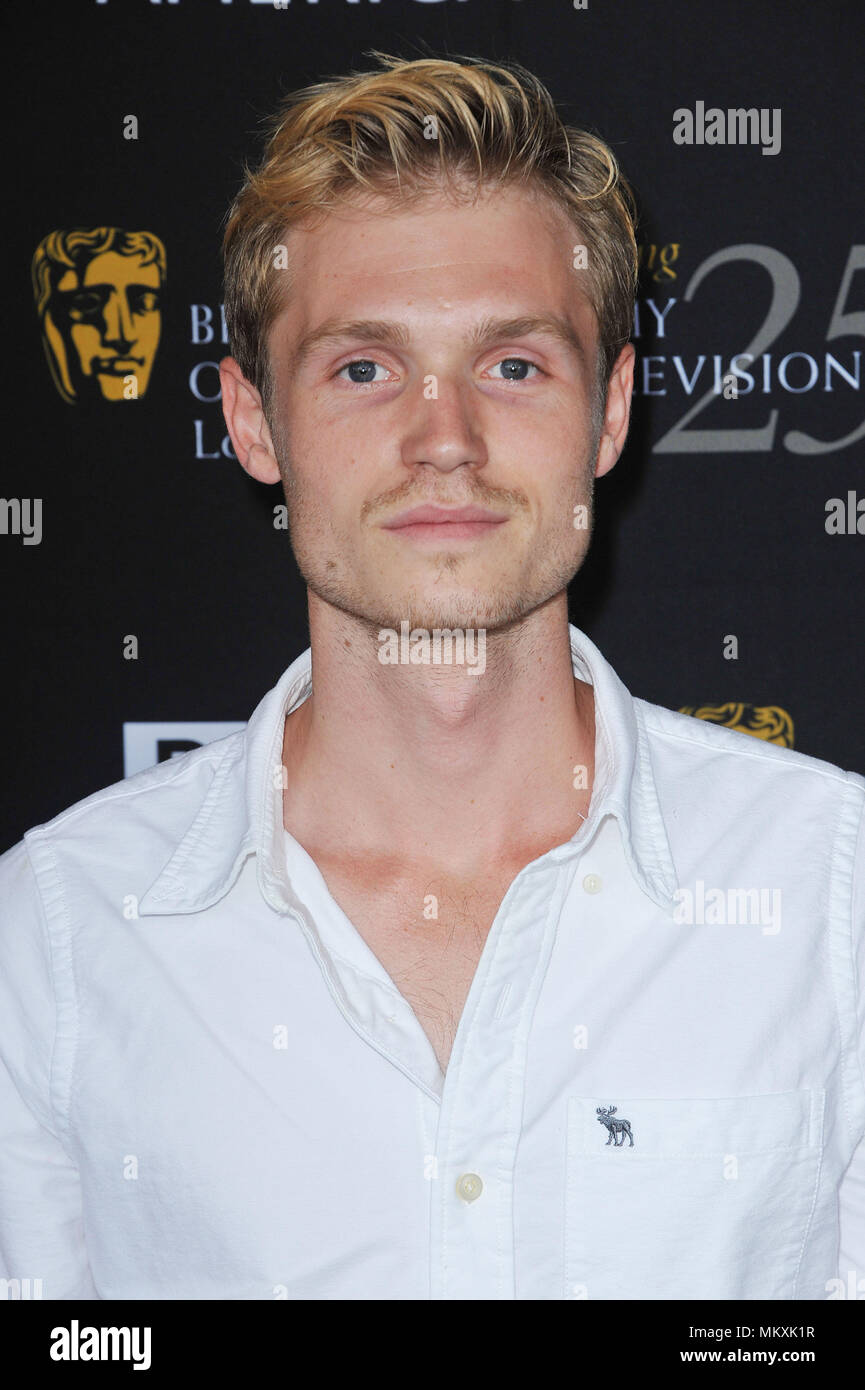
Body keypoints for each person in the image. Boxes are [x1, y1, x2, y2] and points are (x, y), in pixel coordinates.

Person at [1, 52, 863, 1302]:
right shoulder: (58, 939)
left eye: (512, 365)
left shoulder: (833, 897)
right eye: (363, 368)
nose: (444, 439)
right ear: (252, 422)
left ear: (611, 411)